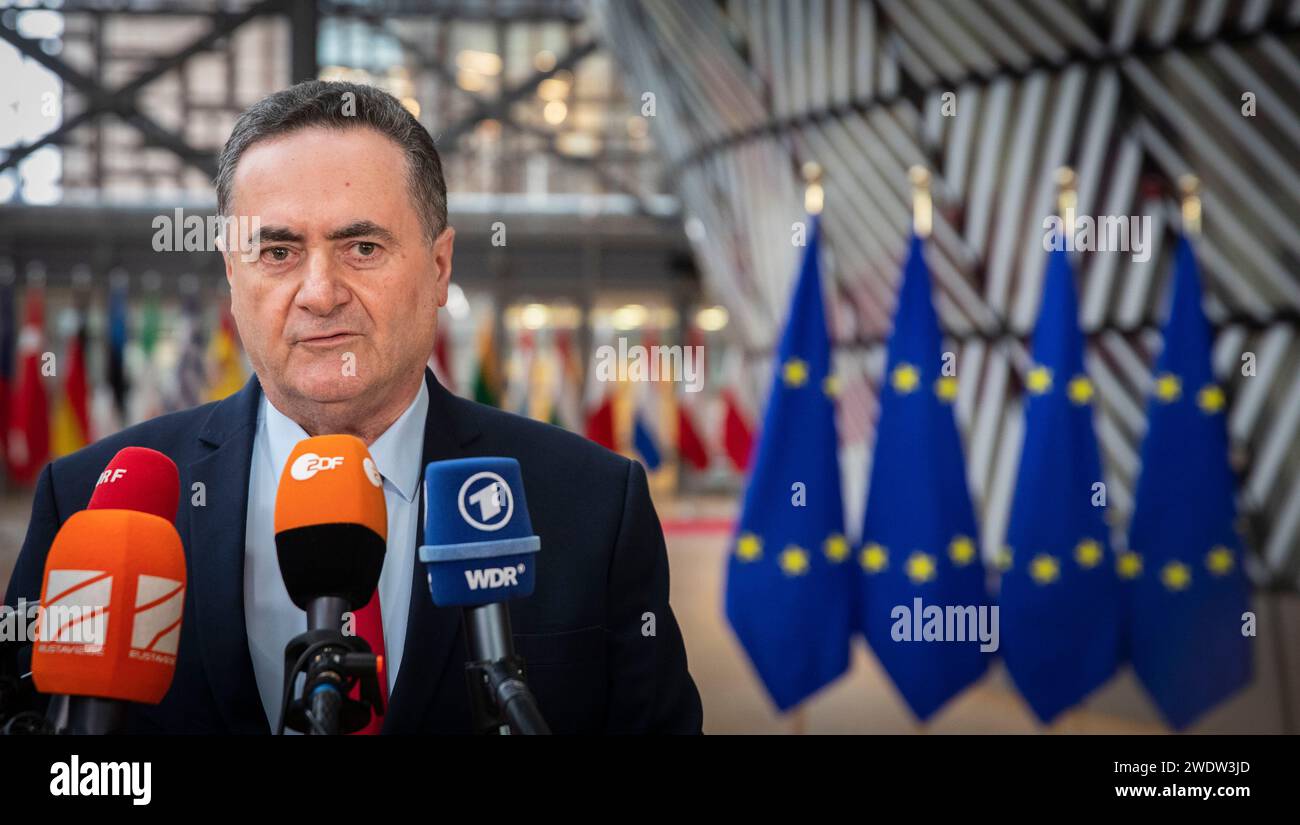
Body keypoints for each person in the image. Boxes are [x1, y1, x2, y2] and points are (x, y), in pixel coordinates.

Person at [4, 81, 702, 734]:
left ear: (438, 267)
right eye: (277, 250)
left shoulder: (592, 506)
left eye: (361, 246)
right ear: (230, 270)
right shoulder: (91, 506)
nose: (319, 291)